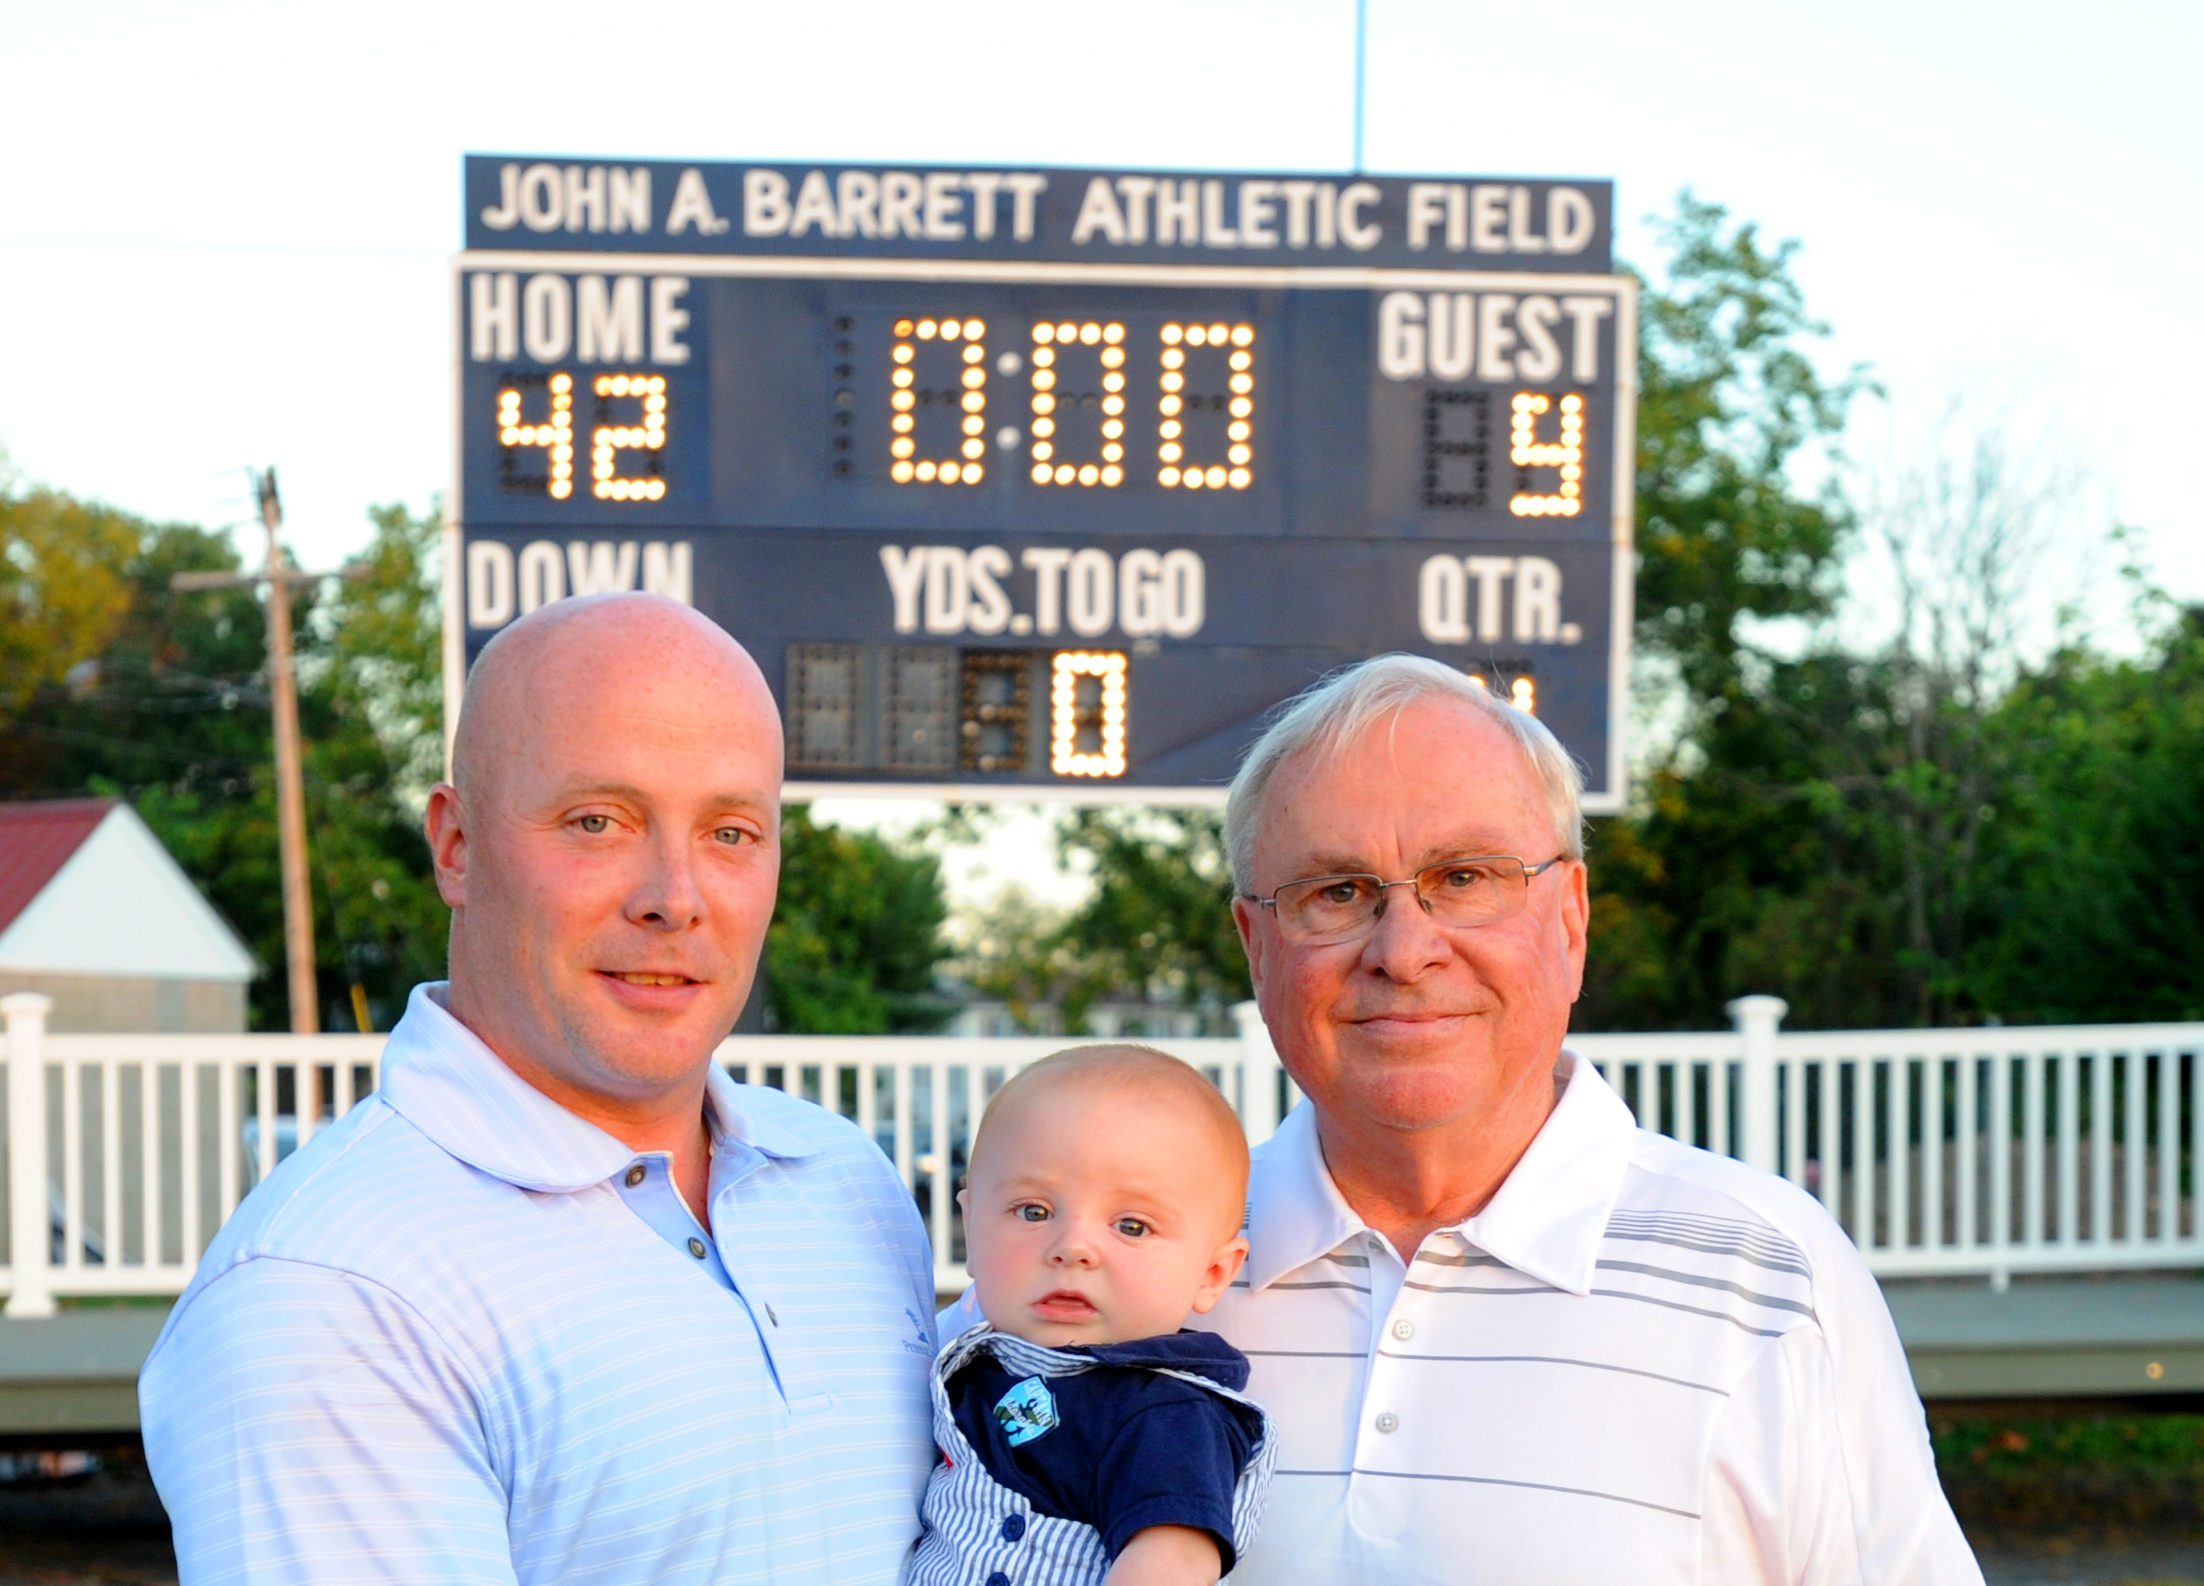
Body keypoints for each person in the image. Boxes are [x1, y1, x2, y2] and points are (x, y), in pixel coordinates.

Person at [139, 594, 939, 1586]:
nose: (675, 896)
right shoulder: (327, 1290)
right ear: (455, 845)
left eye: (731, 831)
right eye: (597, 819)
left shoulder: (843, 1180)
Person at [1210, 654, 1984, 1585]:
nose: (1405, 951)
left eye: (1464, 877)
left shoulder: (1765, 1277)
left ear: (1570, 920)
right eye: (1335, 892)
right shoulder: (1122, 1269)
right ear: (1257, 947)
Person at [911, 1044, 1275, 1586]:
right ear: (973, 1228)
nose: (1072, 1246)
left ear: (1213, 1275)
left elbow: (1172, 1564)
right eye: (1033, 1211)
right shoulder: (966, 1362)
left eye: (1132, 1225)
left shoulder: (1164, 1411)